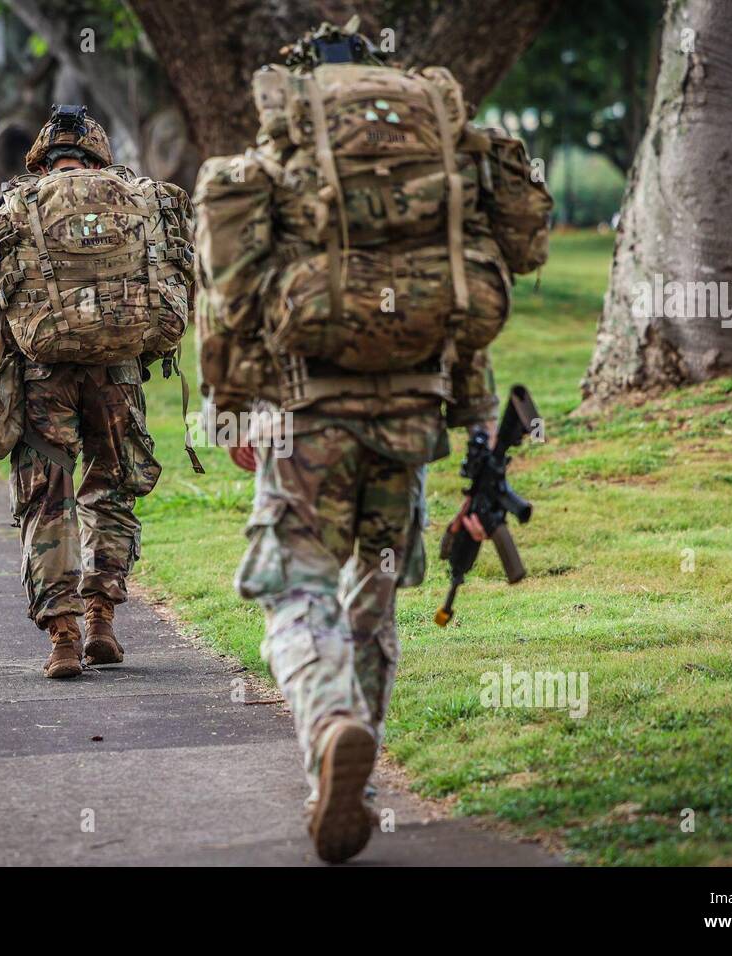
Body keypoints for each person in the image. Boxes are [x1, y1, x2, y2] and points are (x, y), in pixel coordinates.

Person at [193, 18, 549, 863]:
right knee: (376, 596)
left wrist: (233, 404)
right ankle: (355, 773)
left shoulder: (288, 155)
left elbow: (233, 298)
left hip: (307, 416)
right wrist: (469, 423)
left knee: (295, 586)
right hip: (413, 416)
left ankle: (329, 723)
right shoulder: (437, 156)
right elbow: (481, 286)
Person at [0, 105, 195, 679]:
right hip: (118, 373)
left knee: (49, 498)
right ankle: (101, 621)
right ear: (99, 154)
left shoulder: (19, 204)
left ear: (42, 158)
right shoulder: (139, 199)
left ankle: (62, 638)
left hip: (44, 378)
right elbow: (177, 270)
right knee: (110, 490)